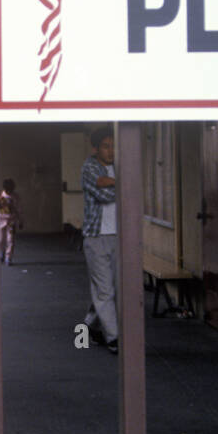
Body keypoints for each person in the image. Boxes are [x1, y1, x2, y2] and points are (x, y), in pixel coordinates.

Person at [80, 127, 119, 355]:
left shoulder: (117, 166)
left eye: (113, 145)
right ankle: (114, 338)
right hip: (96, 237)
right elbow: (103, 195)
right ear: (96, 148)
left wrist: (111, 181)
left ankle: (90, 325)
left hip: (118, 236)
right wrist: (123, 185)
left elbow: (112, 187)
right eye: (106, 146)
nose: (111, 150)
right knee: (105, 290)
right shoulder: (90, 167)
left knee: (109, 288)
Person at [0, 178, 22, 265]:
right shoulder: (0, 195)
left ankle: (8, 257)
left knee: (10, 240)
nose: (10, 191)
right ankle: (2, 252)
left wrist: (20, 220)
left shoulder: (16, 197)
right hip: (0, 220)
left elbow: (19, 209)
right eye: (8, 190)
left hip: (12, 221)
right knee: (0, 240)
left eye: (11, 190)